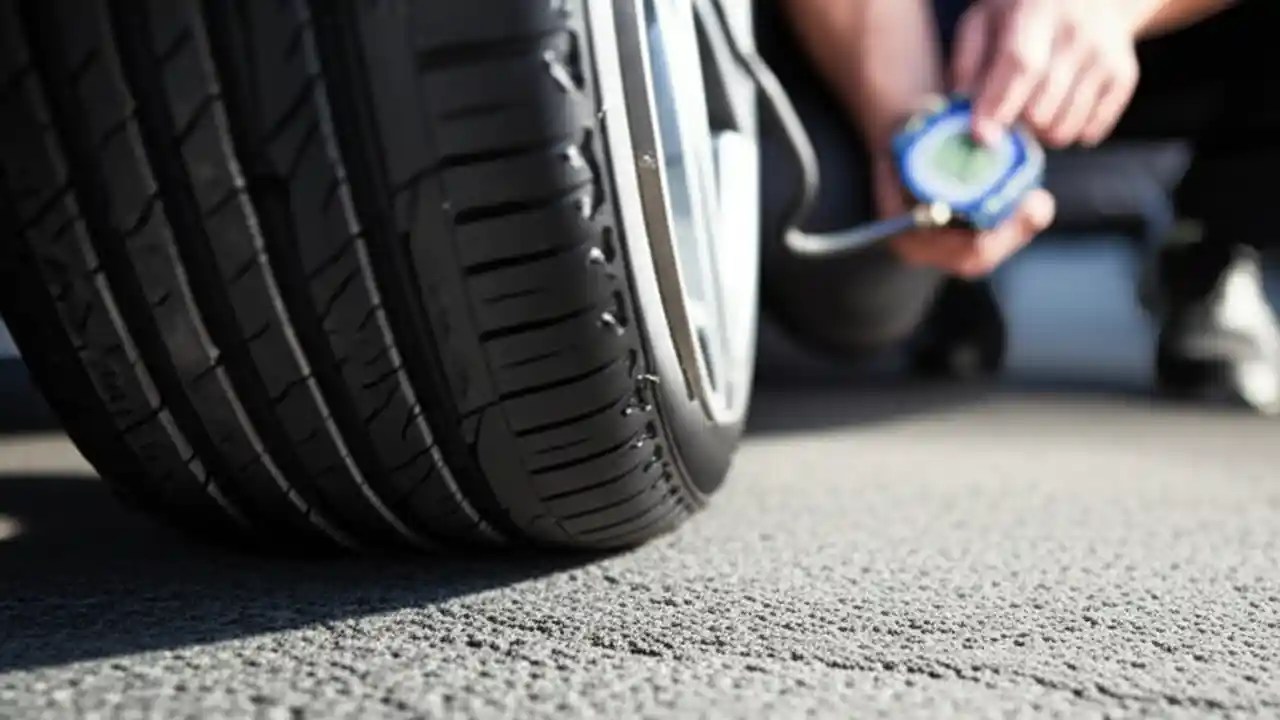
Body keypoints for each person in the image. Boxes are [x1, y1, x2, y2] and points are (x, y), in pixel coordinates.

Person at [762, 0, 1280, 412]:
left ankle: (1216, 234)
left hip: (1181, 41)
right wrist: (907, 127)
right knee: (851, 295)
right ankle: (947, 265)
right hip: (924, 37)